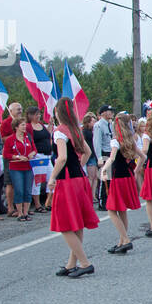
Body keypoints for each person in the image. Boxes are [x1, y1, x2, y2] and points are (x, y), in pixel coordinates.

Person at [47, 98, 99, 277]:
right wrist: (78, 164)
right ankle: (72, 263)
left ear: (58, 113)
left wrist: (52, 176)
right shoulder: (75, 129)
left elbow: (61, 158)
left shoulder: (59, 131)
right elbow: (88, 152)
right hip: (79, 177)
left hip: (67, 180)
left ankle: (85, 262)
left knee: (65, 224)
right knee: (76, 222)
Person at [101, 113, 141, 254]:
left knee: (112, 210)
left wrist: (103, 170)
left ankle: (126, 239)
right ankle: (121, 241)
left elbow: (111, 158)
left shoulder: (116, 140)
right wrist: (136, 170)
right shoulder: (130, 140)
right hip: (128, 177)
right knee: (122, 209)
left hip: (118, 178)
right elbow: (143, 156)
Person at [4, 118, 35, 221]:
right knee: (19, 190)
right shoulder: (10, 139)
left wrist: (32, 153)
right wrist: (17, 157)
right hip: (16, 167)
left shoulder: (28, 138)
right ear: (16, 127)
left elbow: (34, 149)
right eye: (22, 125)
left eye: (24, 125)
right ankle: (19, 213)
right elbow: (6, 154)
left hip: (27, 166)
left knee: (27, 190)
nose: (24, 127)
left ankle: (26, 212)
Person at [26, 107, 52, 213]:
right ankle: (37, 204)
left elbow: (47, 136)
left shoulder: (41, 125)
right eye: (36, 114)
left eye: (39, 114)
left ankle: (49, 202)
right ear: (30, 115)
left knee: (51, 178)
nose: (38, 116)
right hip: (38, 156)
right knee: (37, 180)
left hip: (47, 156)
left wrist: (50, 127)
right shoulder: (28, 127)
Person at [92, 105, 115, 209]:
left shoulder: (111, 124)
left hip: (111, 153)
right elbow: (97, 142)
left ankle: (110, 200)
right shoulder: (99, 125)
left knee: (111, 179)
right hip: (104, 153)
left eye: (111, 111)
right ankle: (103, 202)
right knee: (105, 179)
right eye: (108, 111)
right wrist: (99, 157)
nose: (111, 113)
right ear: (103, 113)